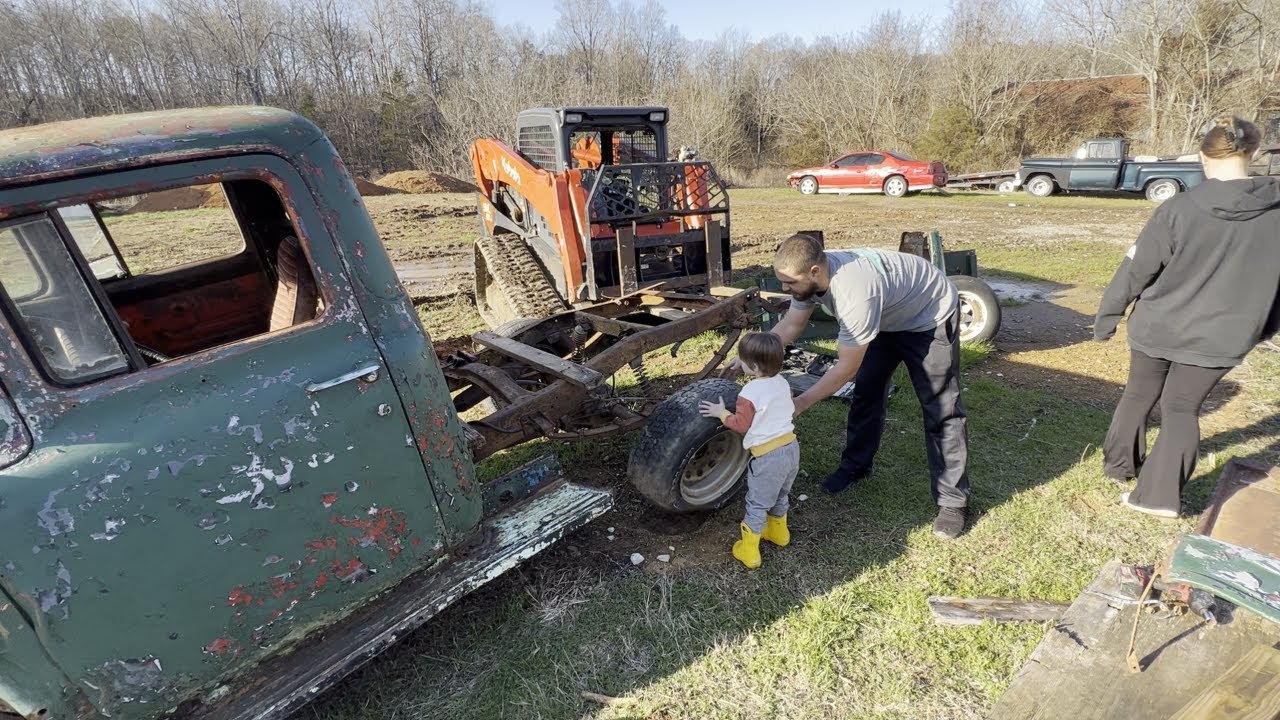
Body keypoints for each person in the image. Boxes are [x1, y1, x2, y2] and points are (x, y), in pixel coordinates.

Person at [1096, 115, 1280, 518]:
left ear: (1202, 156)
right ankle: (1149, 488)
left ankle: (1125, 471)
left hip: (1159, 324)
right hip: (1223, 336)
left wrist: (1108, 314)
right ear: (1255, 153)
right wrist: (1265, 328)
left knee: (1139, 394)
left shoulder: (1179, 208)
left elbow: (1137, 268)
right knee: (1182, 408)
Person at [753, 233, 972, 539]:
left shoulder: (855, 293)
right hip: (884, 317)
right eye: (782, 281)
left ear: (815, 271)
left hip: (928, 315)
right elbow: (791, 324)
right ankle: (855, 467)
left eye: (789, 283)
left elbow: (845, 368)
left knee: (941, 408)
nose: (785, 289)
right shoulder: (808, 275)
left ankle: (953, 502)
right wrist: (753, 356)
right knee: (867, 394)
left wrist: (800, 403)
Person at [699, 332, 799, 569]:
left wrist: (721, 413)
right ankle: (779, 533)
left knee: (757, 504)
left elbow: (741, 425)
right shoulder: (783, 382)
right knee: (781, 494)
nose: (740, 363)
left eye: (742, 360)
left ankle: (750, 551)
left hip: (768, 457)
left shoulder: (749, 393)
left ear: (753, 367)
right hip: (791, 448)